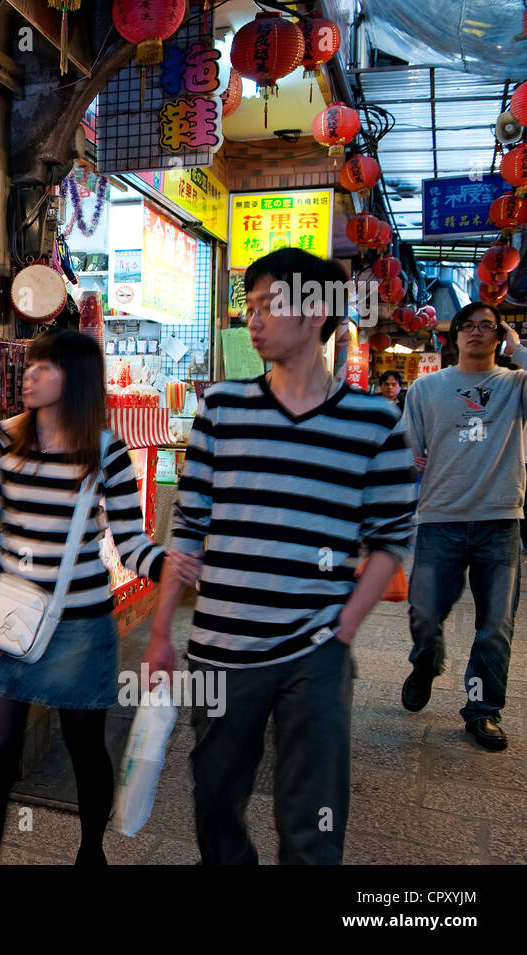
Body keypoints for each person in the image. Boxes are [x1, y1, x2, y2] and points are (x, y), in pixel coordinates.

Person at [148, 248, 417, 864]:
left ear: (317, 310)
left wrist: (343, 628)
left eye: (270, 305)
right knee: (214, 804)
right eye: (251, 307)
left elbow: (391, 537)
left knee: (313, 823)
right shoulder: (222, 409)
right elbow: (189, 527)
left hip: (314, 656)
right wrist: (163, 632)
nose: (254, 321)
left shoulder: (374, 420)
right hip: (220, 645)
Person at [0, 328, 200, 865]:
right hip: (11, 621)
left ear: (79, 381)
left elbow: (131, 543)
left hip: (82, 626)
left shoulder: (105, 451)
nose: (31, 374)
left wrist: (172, 566)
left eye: (47, 367)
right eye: (32, 364)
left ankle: (91, 851)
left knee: (85, 749)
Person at [399, 303, 526, 751]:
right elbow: (402, 448)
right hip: (440, 518)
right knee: (425, 614)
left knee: (495, 625)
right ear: (454, 337)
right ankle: (425, 663)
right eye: (468, 326)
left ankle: (483, 710)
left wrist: (518, 347)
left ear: (498, 336)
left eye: (486, 327)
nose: (476, 333)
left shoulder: (517, 385)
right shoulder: (427, 389)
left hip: (500, 519)